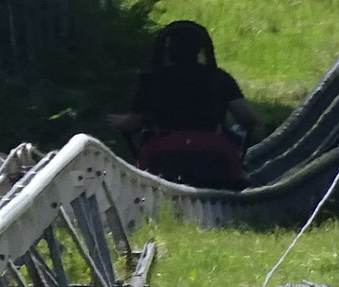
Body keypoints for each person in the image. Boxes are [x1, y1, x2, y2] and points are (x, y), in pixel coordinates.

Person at [107, 20, 258, 189]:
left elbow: (133, 124)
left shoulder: (152, 80)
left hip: (162, 152)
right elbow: (247, 118)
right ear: (199, 50)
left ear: (168, 50)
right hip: (215, 152)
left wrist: (113, 120)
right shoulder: (218, 78)